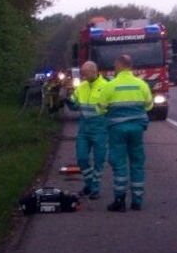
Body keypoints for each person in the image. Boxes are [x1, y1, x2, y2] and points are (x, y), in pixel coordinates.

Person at [97, 54, 153, 212]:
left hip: (117, 129)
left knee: (119, 164)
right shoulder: (141, 84)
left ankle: (120, 200)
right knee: (137, 163)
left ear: (119, 65)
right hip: (137, 129)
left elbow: (100, 107)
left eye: (115, 65)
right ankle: (137, 201)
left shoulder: (111, 85)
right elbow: (149, 105)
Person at [65, 61, 107, 199]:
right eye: (81, 72)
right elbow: (74, 105)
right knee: (82, 158)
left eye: (84, 72)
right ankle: (90, 184)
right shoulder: (82, 87)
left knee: (99, 161)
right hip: (84, 128)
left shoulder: (105, 87)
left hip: (100, 128)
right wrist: (68, 99)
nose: (82, 75)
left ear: (94, 71)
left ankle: (95, 187)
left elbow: (111, 108)